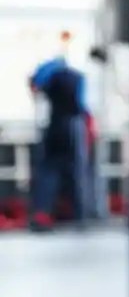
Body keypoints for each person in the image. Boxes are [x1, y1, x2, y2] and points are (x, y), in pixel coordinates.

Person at [28, 31, 91, 232]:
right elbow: (83, 106)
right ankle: (81, 216)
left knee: (48, 171)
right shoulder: (78, 77)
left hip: (55, 125)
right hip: (73, 127)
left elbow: (35, 89)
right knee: (77, 172)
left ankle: (42, 214)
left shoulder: (47, 72)